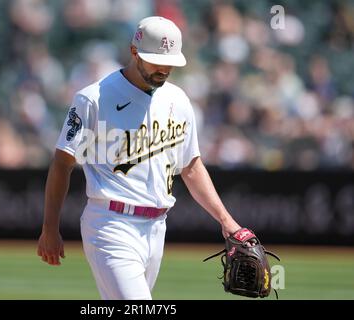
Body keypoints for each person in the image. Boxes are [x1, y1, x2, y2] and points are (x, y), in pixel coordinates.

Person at [37, 16, 241, 300]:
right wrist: (50, 228)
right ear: (134, 52)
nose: (163, 68)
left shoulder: (178, 100)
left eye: (169, 61)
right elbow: (63, 163)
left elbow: (191, 167)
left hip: (157, 227)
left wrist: (226, 220)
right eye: (155, 59)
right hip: (110, 224)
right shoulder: (93, 99)